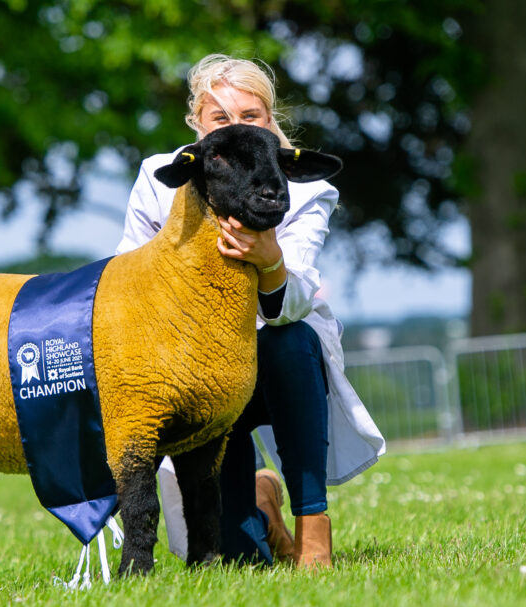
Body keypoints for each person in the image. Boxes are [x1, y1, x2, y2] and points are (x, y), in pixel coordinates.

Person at [115, 53, 386, 568]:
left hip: (272, 357)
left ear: (270, 119)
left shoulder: (306, 186)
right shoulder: (161, 177)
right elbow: (128, 275)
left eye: (251, 115)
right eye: (220, 118)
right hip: (195, 370)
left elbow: (300, 291)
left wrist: (271, 261)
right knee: (240, 557)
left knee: (291, 340)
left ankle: (313, 529)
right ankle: (261, 504)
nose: (236, 128)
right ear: (197, 123)